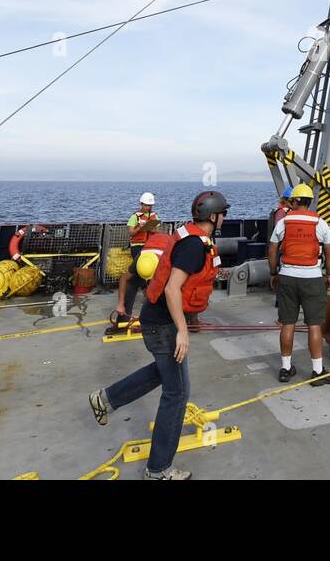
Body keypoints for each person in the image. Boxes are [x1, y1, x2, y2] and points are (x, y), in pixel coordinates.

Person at [89, 190, 229, 480]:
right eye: (223, 213)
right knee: (177, 394)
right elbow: (171, 288)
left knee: (161, 373)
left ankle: (105, 399)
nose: (225, 217)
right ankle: (158, 469)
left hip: (158, 320)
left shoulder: (194, 240)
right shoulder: (193, 246)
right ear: (213, 216)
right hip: (163, 325)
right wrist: (182, 330)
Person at [267, 183, 330, 387]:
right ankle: (317, 372)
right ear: (310, 201)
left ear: (295, 201)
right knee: (314, 324)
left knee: (287, 323)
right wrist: (328, 274)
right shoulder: (320, 223)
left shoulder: (284, 222)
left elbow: (272, 250)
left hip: (287, 277)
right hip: (313, 278)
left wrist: (273, 273)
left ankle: (286, 368)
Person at [112, 192, 161, 329]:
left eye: (150, 206)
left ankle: (146, 297)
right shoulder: (134, 217)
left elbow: (158, 232)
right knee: (138, 276)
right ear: (141, 204)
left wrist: (151, 229)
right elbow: (131, 233)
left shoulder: (154, 216)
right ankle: (146, 295)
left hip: (149, 248)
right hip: (137, 247)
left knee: (141, 277)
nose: (148, 208)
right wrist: (141, 227)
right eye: (146, 205)